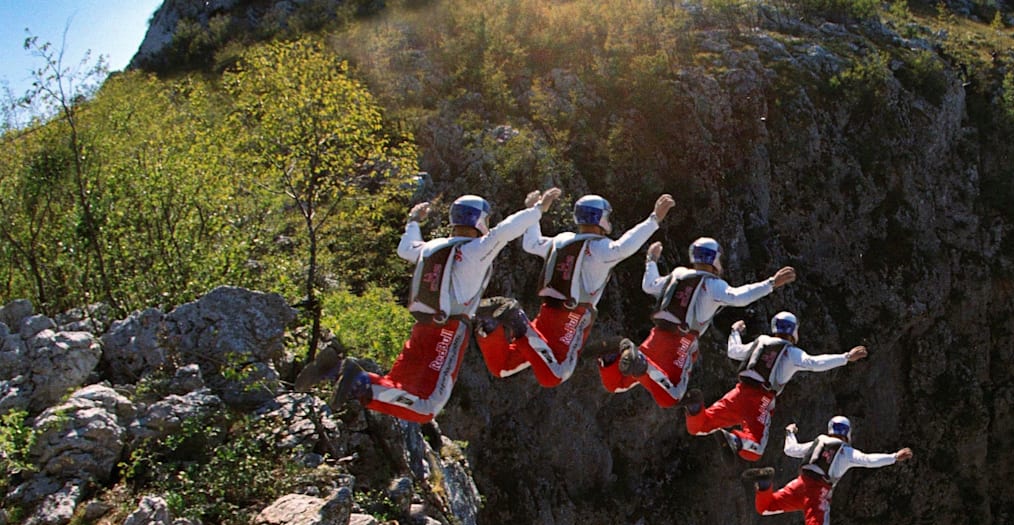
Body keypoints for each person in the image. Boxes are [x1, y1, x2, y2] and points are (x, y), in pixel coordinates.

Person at [299, 188, 562, 422]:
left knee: (399, 384)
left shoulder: (431, 248)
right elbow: (505, 231)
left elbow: (406, 249)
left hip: (421, 329)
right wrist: (536, 210)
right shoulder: (475, 250)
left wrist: (413, 222)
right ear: (480, 219)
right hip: (449, 331)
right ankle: (358, 380)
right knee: (427, 407)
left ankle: (335, 370)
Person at [479, 193, 675, 387]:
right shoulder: (601, 248)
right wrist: (654, 219)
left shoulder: (560, 240)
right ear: (601, 218)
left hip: (546, 314)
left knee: (502, 366)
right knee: (557, 374)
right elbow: (625, 246)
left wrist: (533, 212)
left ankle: (489, 323)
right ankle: (517, 319)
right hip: (572, 319)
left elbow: (531, 244)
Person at [598, 237, 795, 407]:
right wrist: (770, 283)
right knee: (672, 397)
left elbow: (649, 286)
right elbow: (738, 297)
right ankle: (643, 365)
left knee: (616, 383)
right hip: (682, 342)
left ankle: (609, 359)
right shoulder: (714, 285)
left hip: (657, 335)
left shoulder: (678, 274)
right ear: (714, 258)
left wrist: (651, 260)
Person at [682, 313, 866, 460]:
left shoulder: (760, 342)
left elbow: (734, 351)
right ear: (794, 331)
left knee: (700, 426)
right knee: (755, 448)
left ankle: (694, 407)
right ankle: (735, 439)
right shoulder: (792, 353)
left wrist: (735, 332)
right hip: (761, 399)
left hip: (739, 392)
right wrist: (845, 357)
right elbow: (815, 363)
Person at [743, 415, 911, 525]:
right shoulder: (846, 452)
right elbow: (868, 460)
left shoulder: (818, 442)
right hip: (819, 490)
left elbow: (791, 450)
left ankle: (764, 484)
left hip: (800, 483)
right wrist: (894, 457)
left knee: (766, 507)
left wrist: (790, 433)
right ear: (847, 433)